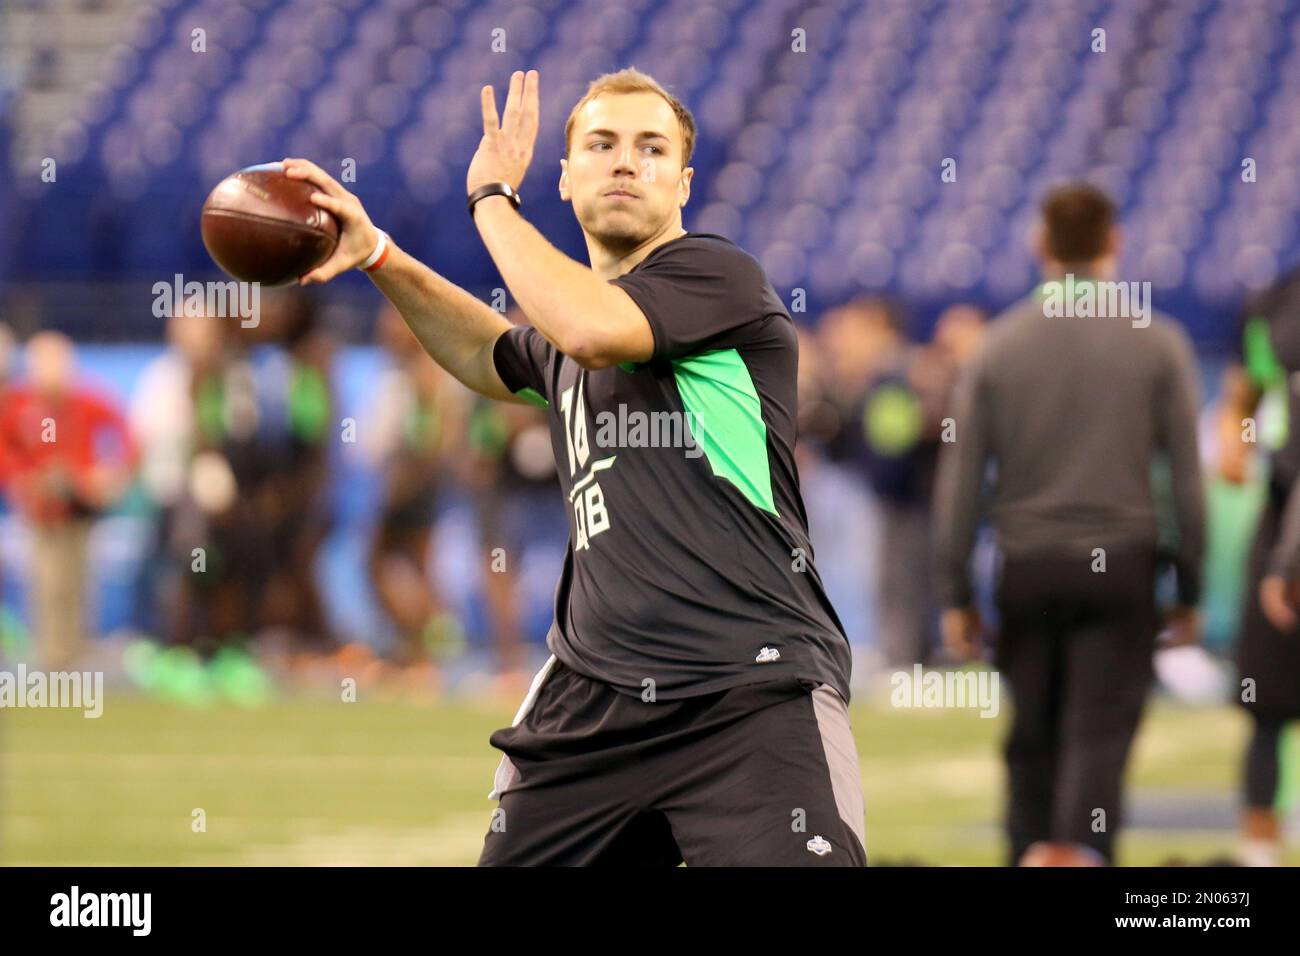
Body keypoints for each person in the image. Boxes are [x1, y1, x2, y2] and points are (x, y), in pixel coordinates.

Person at [282, 66, 864, 866]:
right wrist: (380, 254)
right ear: (566, 175)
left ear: (683, 183)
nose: (626, 161)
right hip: (595, 700)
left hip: (746, 686)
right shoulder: (570, 329)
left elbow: (589, 329)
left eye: (650, 148)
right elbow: (488, 352)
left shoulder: (716, 278)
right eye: (601, 144)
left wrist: (491, 199)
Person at [934, 183, 1204, 865]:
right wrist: (1191, 588)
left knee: (1031, 737)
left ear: (1041, 246)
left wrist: (956, 592)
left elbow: (960, 485)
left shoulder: (996, 347)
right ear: (1114, 244)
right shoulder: (1160, 342)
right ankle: (1085, 854)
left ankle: (1028, 853)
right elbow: (1188, 483)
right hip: (1124, 563)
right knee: (1099, 736)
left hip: (1029, 563)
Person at [1216, 262, 1300, 866]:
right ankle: (1260, 847)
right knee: (1265, 697)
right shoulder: (1277, 299)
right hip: (1282, 507)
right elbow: (1249, 383)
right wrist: (1235, 431)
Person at [0, 331, 137, 669]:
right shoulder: (19, 404)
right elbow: (5, 447)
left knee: (79, 579)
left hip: (79, 505)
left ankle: (76, 653)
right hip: (42, 509)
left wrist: (107, 473)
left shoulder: (86, 400)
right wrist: (22, 479)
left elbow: (125, 432)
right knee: (48, 580)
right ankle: (51, 655)